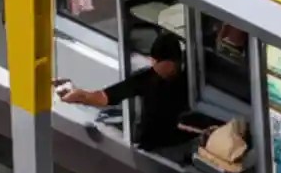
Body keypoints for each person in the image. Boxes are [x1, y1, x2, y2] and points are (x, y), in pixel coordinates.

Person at [56, 31, 189, 150]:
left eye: (159, 63)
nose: (154, 67)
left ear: (175, 61)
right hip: (153, 144)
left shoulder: (190, 80)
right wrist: (76, 95)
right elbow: (104, 97)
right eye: (153, 62)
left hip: (182, 141)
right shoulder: (146, 78)